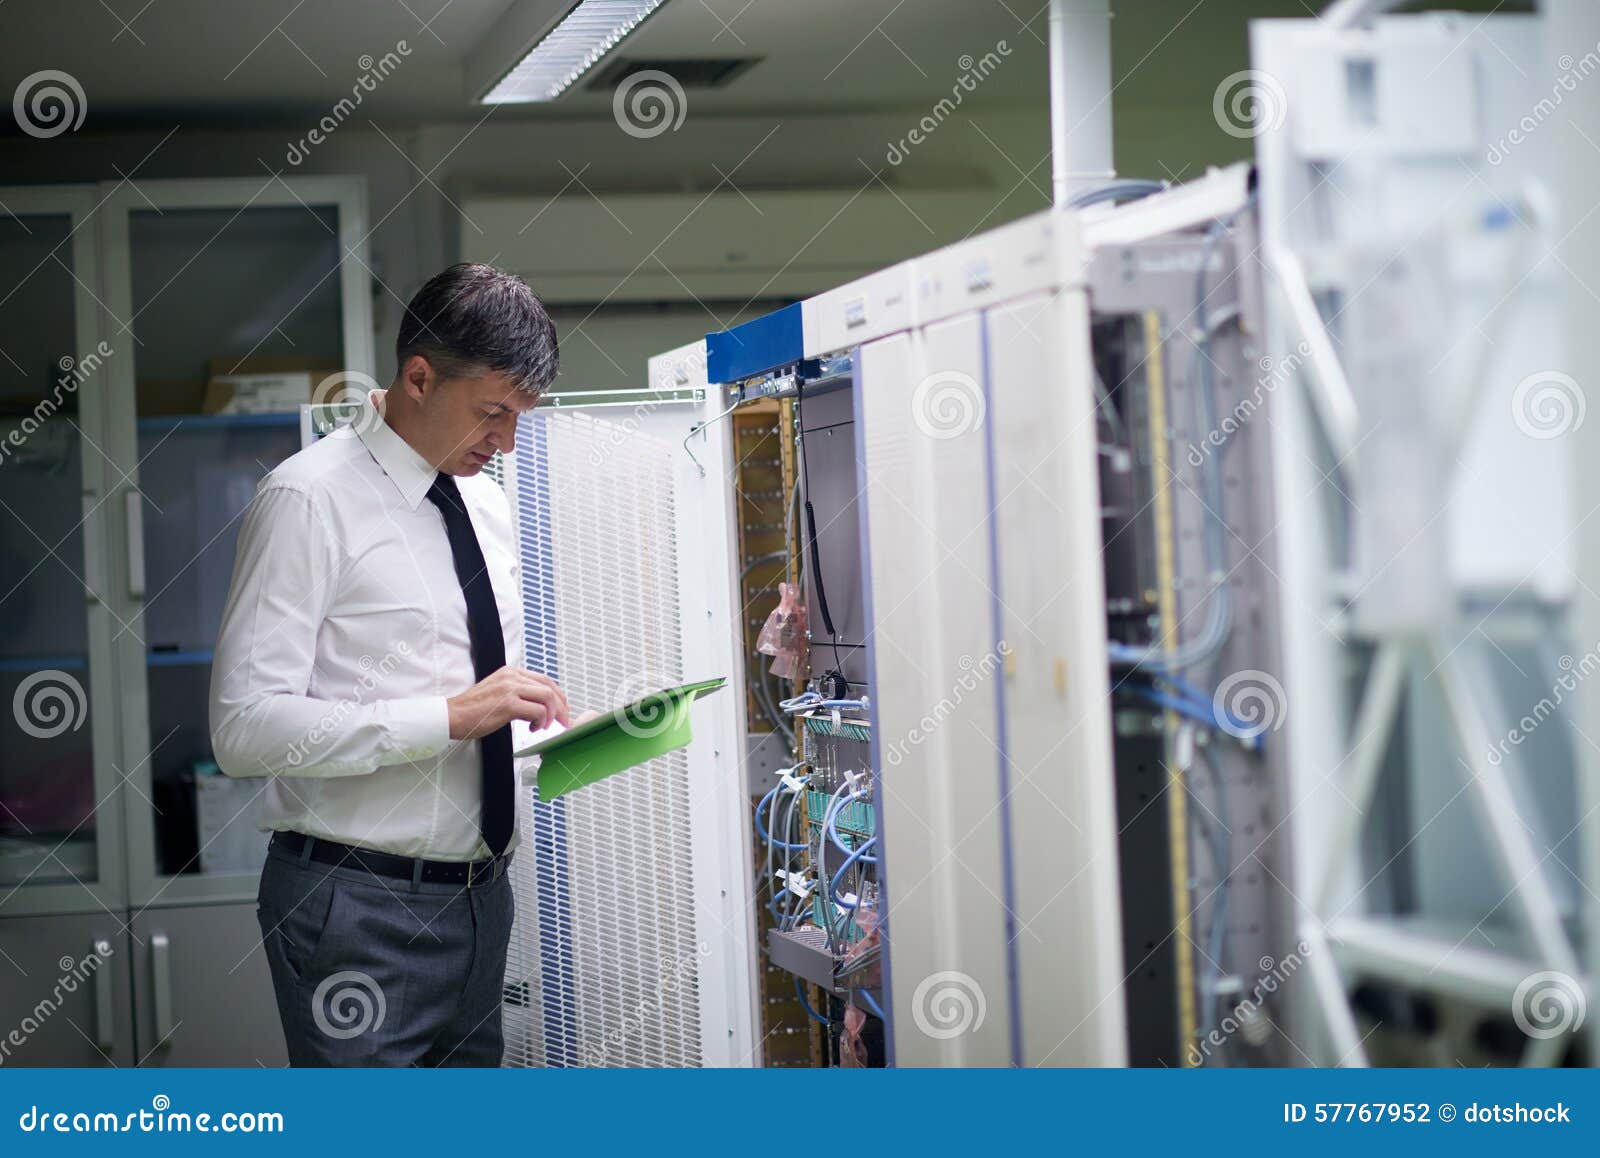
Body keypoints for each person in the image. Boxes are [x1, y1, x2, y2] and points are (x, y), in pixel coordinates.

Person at [210, 262, 573, 1066]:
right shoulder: (308, 500)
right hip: (356, 905)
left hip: (481, 903)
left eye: (522, 417)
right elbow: (243, 728)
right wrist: (450, 718)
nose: (507, 441)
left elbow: (471, 689)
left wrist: (540, 741)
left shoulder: (484, 499)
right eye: (493, 413)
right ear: (418, 377)